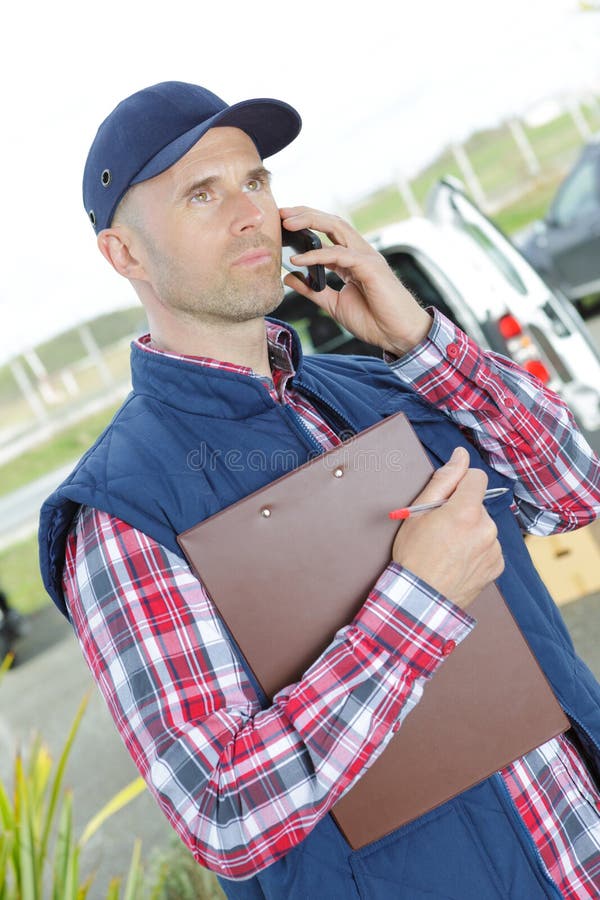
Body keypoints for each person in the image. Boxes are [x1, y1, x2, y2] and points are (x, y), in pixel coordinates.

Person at [39, 81, 600, 899]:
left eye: (255, 181)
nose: (249, 214)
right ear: (125, 255)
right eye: (203, 193)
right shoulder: (123, 510)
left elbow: (574, 492)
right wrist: (423, 596)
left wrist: (418, 337)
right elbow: (226, 811)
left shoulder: (387, 382)